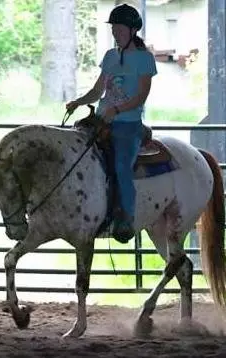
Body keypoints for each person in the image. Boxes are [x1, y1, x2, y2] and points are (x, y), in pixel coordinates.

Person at [66, 3, 157, 243]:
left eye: (120, 28)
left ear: (132, 30)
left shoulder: (144, 59)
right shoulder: (110, 56)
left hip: (128, 124)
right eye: (114, 28)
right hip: (102, 120)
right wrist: (78, 101)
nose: (116, 32)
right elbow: (98, 91)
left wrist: (117, 109)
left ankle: (126, 217)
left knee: (121, 166)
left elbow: (141, 95)